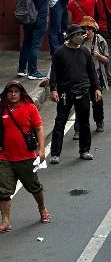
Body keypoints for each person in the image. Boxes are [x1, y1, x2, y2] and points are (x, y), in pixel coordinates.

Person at [0, 80, 49, 232]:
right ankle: (6, 220)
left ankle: (42, 208)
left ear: (21, 93)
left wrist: (41, 150)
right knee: (3, 190)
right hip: (4, 157)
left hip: (26, 157)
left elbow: (39, 128)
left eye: (16, 91)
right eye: (10, 92)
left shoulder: (30, 108)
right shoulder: (2, 109)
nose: (13, 94)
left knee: (34, 187)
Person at [47, 24, 100, 162]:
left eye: (81, 34)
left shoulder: (84, 52)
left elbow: (92, 72)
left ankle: (85, 150)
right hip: (65, 92)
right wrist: (53, 89)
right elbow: (54, 72)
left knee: (84, 122)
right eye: (77, 34)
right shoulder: (60, 52)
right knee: (60, 122)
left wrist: (97, 88)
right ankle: (55, 154)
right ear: (70, 37)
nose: (80, 37)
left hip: (83, 90)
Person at [17, 0, 63, 80]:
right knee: (34, 45)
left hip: (27, 17)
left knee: (26, 43)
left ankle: (22, 69)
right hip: (40, 18)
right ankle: (33, 71)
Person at [75, 17, 108, 137]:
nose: (87, 32)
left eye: (89, 29)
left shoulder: (100, 41)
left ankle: (99, 122)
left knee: (97, 101)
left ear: (94, 30)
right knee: (80, 102)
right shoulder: (78, 42)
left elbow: (106, 60)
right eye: (84, 29)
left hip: (96, 75)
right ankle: (78, 129)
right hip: (82, 76)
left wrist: (98, 56)